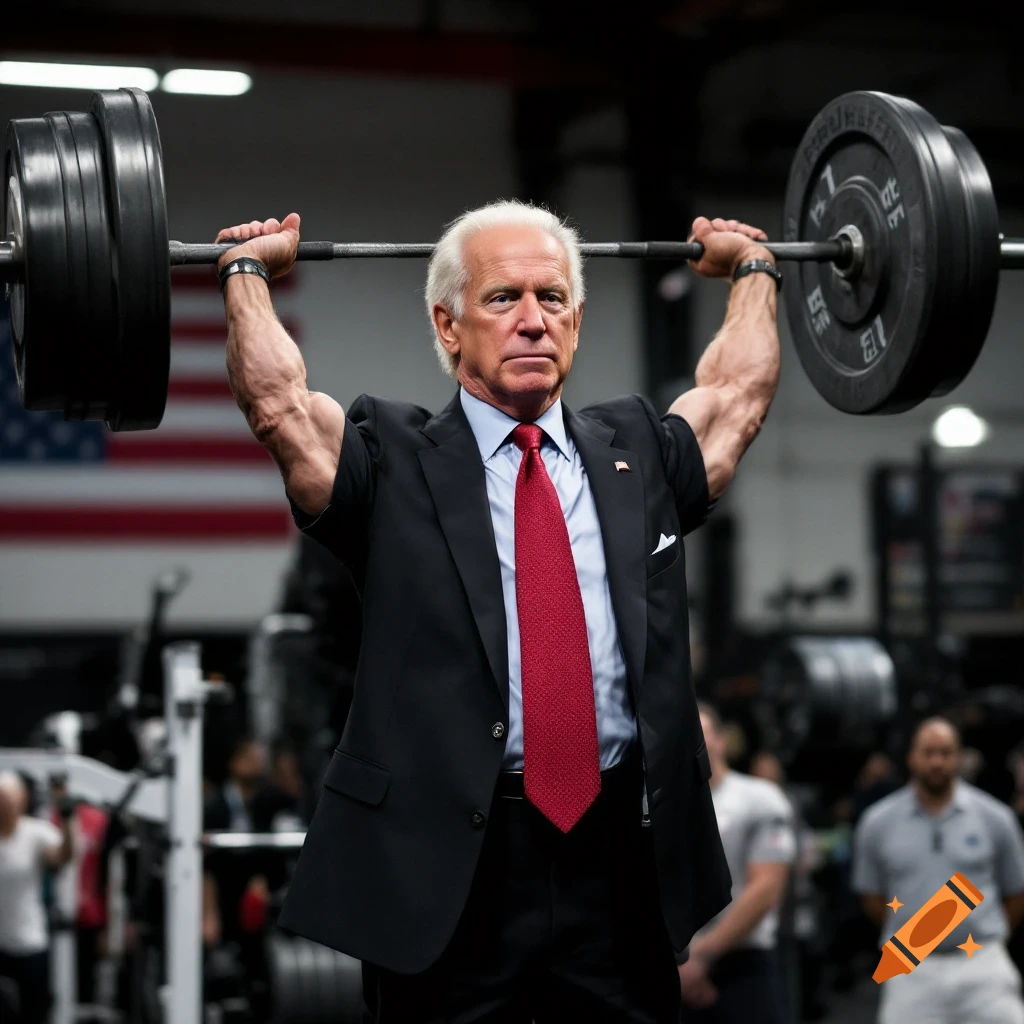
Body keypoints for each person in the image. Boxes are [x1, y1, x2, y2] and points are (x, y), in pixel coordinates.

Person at [214, 201, 782, 1021]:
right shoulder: (391, 459)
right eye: (502, 298)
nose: (531, 322)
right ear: (447, 327)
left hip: (619, 859)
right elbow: (282, 409)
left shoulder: (636, 453)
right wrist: (246, 275)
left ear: (578, 321)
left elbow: (736, 397)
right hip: (451, 868)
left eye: (552, 300)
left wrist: (753, 273)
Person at [852, 717, 1024, 1024]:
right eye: (928, 752)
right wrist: (916, 939)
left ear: (959, 757)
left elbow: (1016, 892)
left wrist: (982, 932)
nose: (936, 762)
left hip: (982, 961)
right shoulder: (878, 822)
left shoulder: (995, 817)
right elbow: (871, 897)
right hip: (910, 967)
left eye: (945, 752)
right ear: (911, 757)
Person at [678, 707, 795, 1022]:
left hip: (744, 963)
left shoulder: (760, 798)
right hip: (676, 969)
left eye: (701, 732)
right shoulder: (663, 807)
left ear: (720, 739)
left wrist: (703, 955)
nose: (694, 741)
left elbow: (767, 888)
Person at [0, 772, 74, 1024]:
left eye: (10, 798)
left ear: (22, 800)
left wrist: (66, 818)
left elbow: (64, 856)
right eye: (1, 798)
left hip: (29, 944)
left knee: (34, 1014)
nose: (6, 804)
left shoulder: (36, 833)